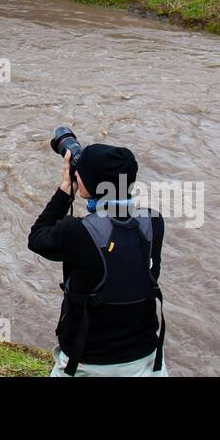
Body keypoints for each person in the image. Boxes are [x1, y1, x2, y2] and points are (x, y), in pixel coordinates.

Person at [29, 130, 166, 377]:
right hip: (147, 360)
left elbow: (37, 238)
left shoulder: (77, 232)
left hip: (87, 364)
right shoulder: (154, 222)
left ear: (86, 182)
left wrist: (64, 189)